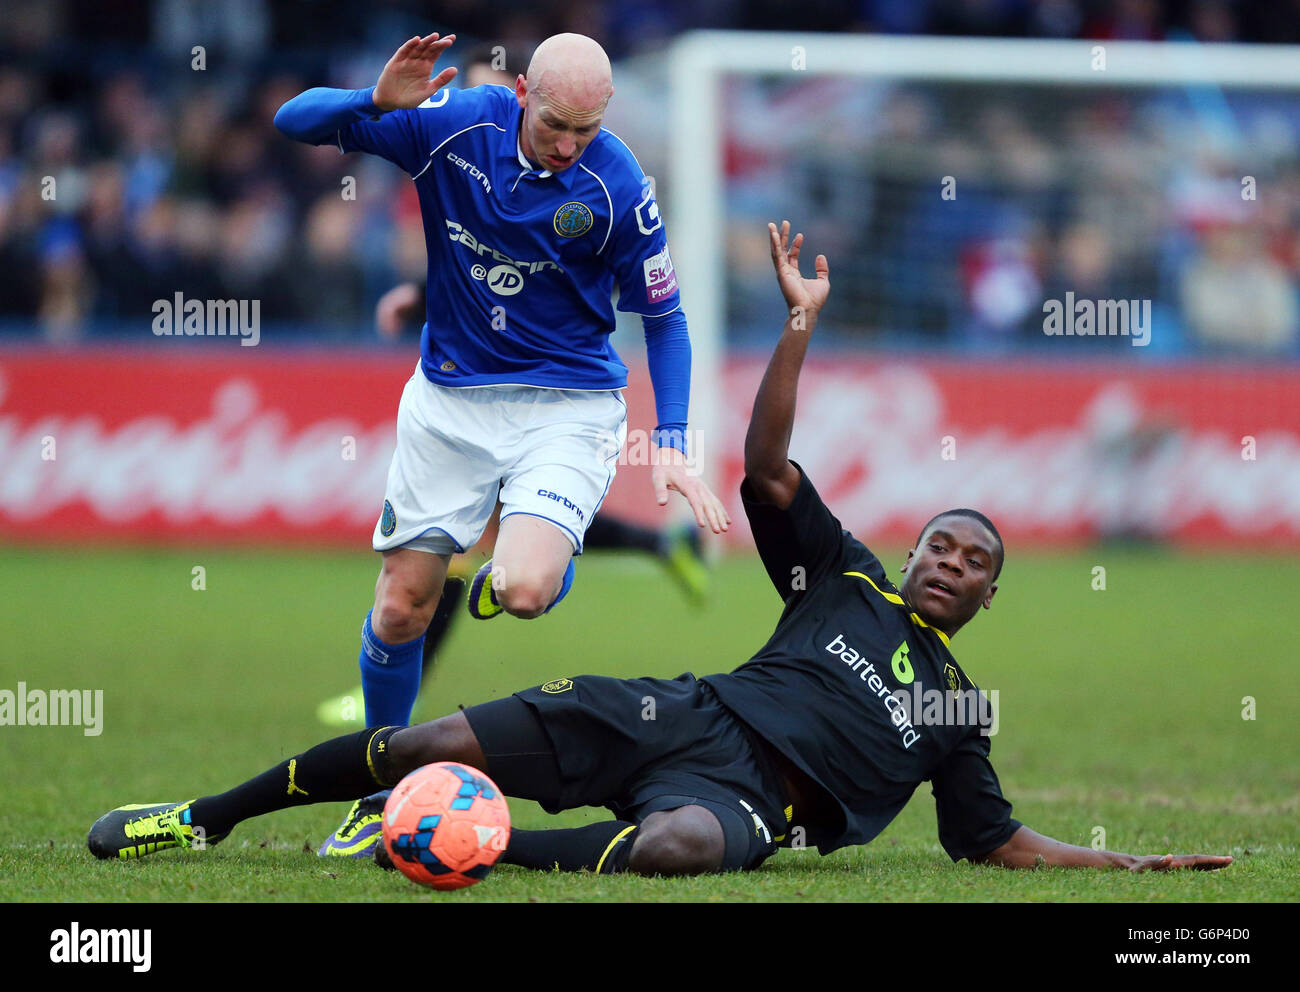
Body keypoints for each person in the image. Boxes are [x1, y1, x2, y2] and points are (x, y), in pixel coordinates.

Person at [89, 222, 1232, 878]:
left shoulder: (956, 708)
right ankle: (204, 813)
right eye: (938, 539)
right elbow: (770, 465)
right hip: (684, 712)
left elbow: (988, 841)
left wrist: (1122, 866)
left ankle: (451, 844)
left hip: (753, 800)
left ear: (991, 593)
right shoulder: (845, 577)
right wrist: (796, 325)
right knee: (434, 732)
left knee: (675, 848)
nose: (946, 558)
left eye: (971, 558)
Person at [273, 32, 729, 856]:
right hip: (449, 400)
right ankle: (382, 788)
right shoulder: (451, 125)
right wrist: (373, 104)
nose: (566, 146)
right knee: (401, 605)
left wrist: (671, 437)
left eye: (584, 131)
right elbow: (290, 120)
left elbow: (664, 317)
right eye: (554, 123)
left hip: (568, 405)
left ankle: (538, 561)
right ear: (522, 91)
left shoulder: (619, 183)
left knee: (520, 589)